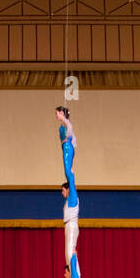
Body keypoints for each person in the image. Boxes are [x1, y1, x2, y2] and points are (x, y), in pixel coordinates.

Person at [56, 106, 79, 263]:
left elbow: (69, 127)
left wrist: (63, 117)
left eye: (63, 190)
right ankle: (73, 272)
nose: (62, 193)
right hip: (69, 226)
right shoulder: (69, 200)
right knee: (69, 252)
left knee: (69, 254)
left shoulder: (72, 197)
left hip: (71, 226)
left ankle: (74, 276)